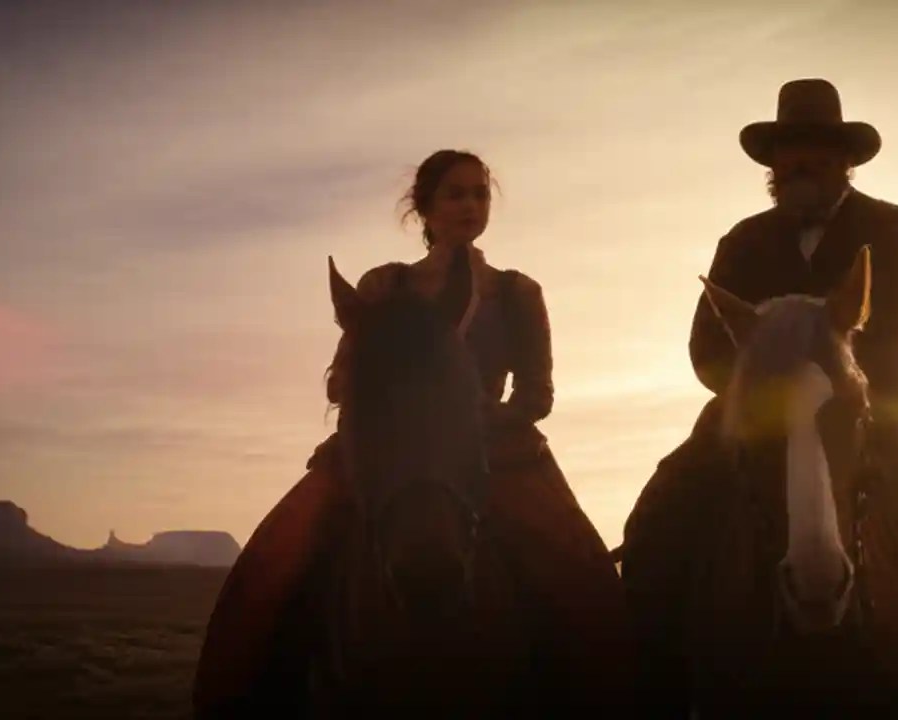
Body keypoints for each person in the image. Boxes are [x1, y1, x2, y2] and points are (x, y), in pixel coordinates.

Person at [621, 79, 898, 716]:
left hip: (888, 430)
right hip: (756, 424)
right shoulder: (742, 241)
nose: (799, 162)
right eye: (788, 151)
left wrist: (836, 377)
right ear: (773, 165)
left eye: (815, 149)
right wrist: (767, 385)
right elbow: (707, 349)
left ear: (844, 159)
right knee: (652, 529)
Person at [194, 149, 633, 714]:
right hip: (386, 442)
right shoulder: (384, 285)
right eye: (455, 194)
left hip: (490, 449)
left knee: (575, 563)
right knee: (278, 554)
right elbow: (341, 381)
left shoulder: (518, 292)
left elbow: (536, 395)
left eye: (480, 194)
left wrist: (472, 415)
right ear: (424, 208)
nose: (470, 205)